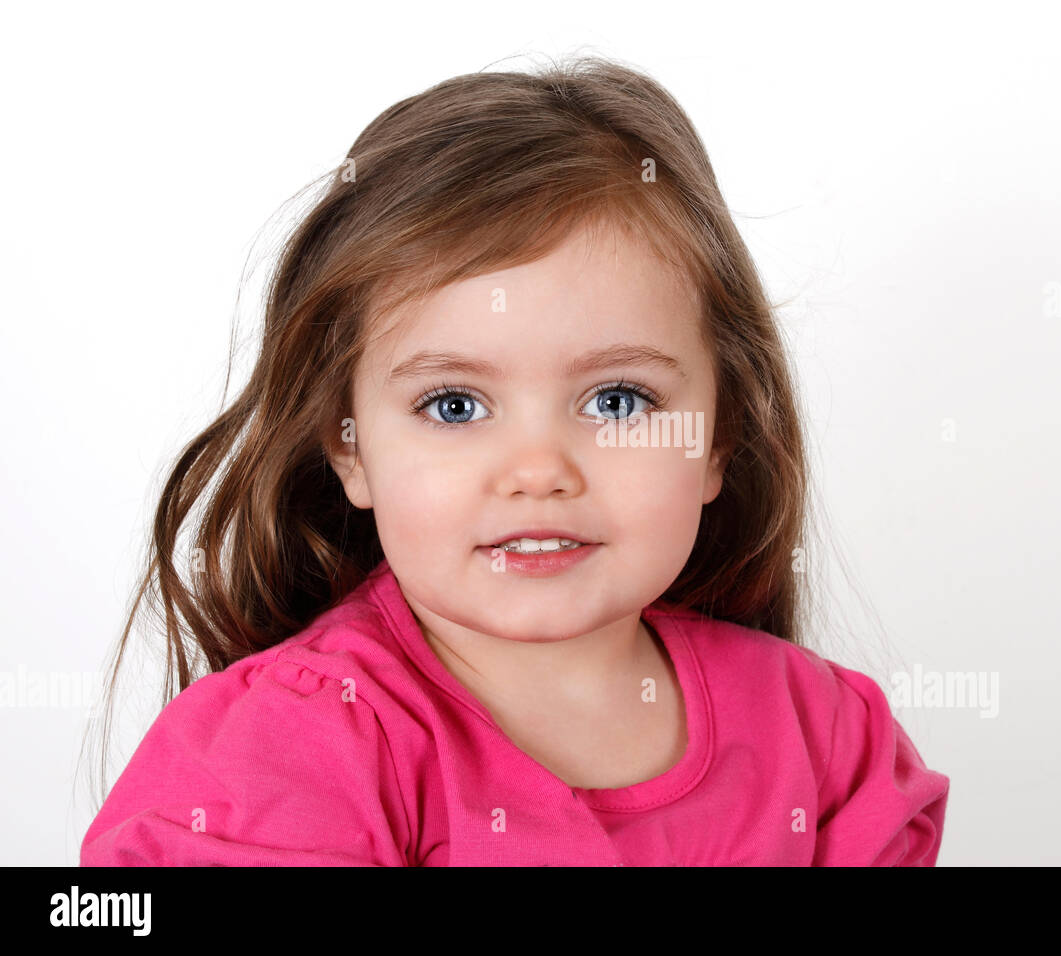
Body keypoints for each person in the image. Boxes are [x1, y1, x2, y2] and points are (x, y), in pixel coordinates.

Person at [80, 54, 949, 866]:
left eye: (618, 401)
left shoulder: (829, 740)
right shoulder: (281, 758)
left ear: (718, 440)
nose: (538, 470)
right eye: (453, 406)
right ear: (351, 452)